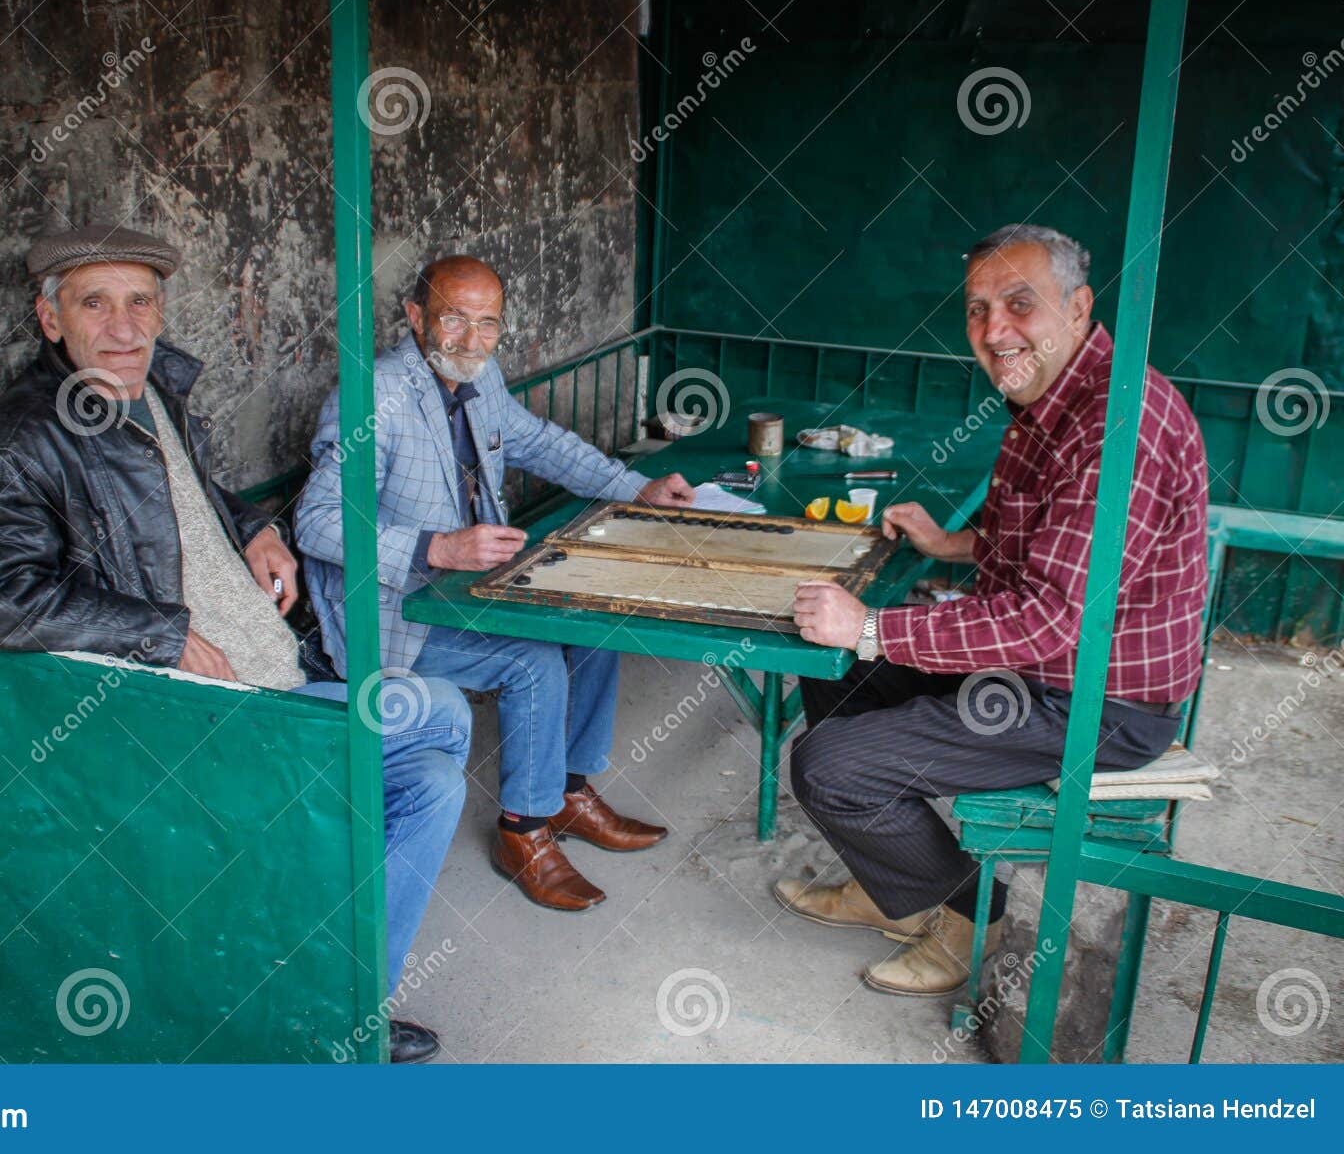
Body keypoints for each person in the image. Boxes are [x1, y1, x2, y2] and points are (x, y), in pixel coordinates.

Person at [0, 222, 467, 1062]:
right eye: (96, 304)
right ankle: (321, 992)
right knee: (439, 712)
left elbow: (187, 498)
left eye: (141, 302)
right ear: (51, 320)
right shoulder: (30, 434)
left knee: (436, 781)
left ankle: (341, 1003)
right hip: (190, 713)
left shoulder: (151, 386)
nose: (125, 327)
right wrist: (160, 634)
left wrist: (256, 524)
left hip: (267, 665)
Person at [779, 224, 1208, 997]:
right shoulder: (1053, 392)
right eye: (978, 309)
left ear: (1079, 308)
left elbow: (1051, 618)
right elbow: (1037, 544)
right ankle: (896, 889)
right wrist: (949, 545)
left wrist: (874, 624)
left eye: (1019, 304)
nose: (994, 330)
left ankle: (971, 915)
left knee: (828, 766)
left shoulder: (1120, 425)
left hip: (1098, 702)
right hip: (1039, 670)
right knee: (834, 668)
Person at [297, 255, 696, 911]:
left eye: (488, 324)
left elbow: (543, 443)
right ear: (417, 317)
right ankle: (524, 831)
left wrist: (637, 488)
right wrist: (438, 545)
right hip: (393, 611)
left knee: (595, 621)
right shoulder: (374, 395)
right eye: (454, 318)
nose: (471, 339)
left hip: (471, 587)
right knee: (533, 659)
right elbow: (316, 522)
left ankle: (566, 790)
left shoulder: (480, 378)